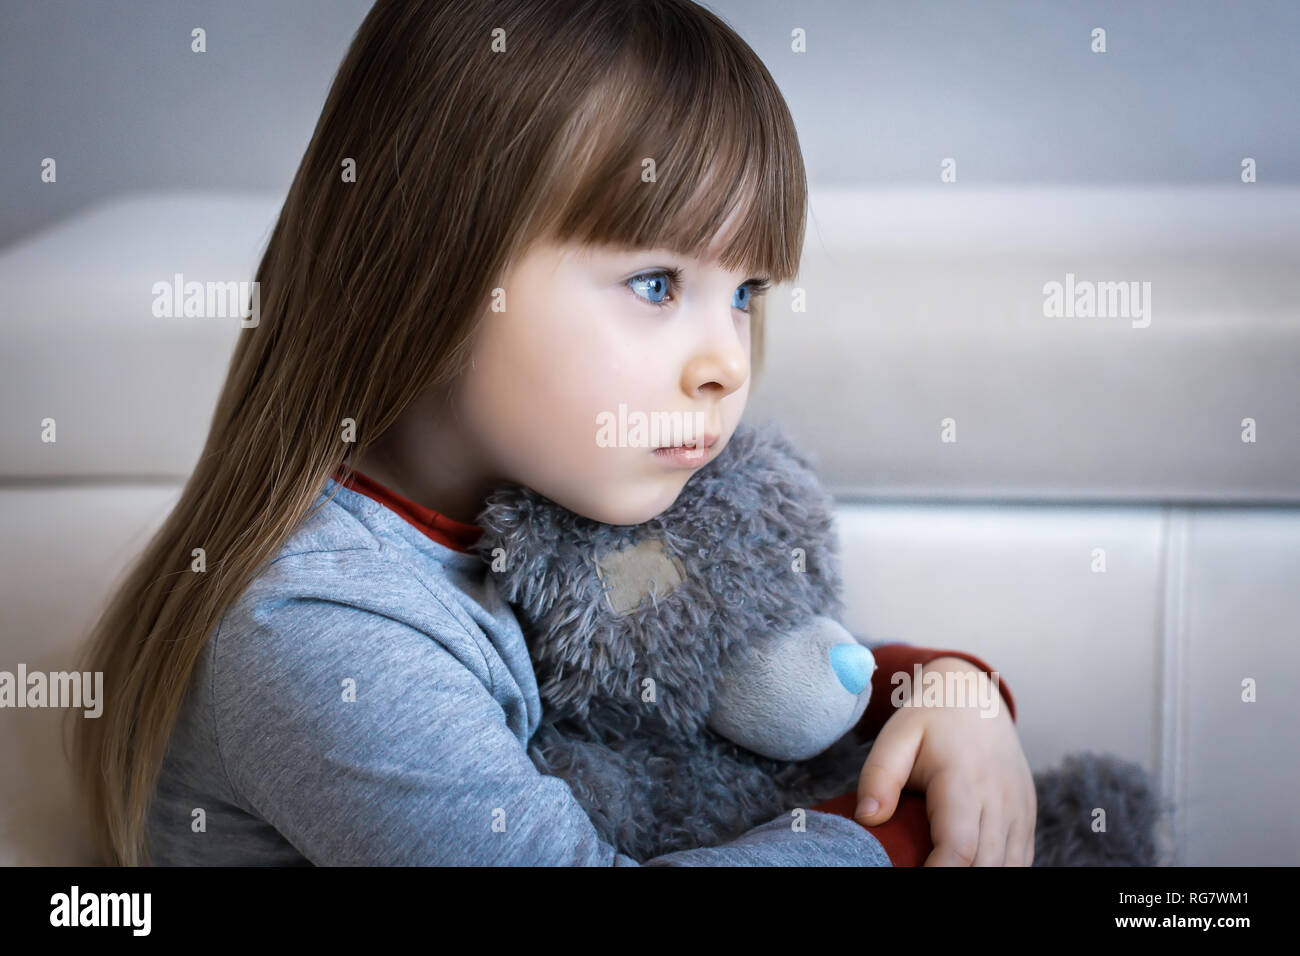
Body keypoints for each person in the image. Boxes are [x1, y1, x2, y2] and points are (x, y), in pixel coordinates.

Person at [68, 0, 1035, 866]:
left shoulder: (560, 508)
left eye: (743, 294)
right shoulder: (322, 631)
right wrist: (912, 827)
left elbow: (743, 656)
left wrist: (937, 690)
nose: (727, 364)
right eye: (656, 284)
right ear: (433, 261)